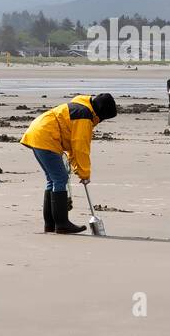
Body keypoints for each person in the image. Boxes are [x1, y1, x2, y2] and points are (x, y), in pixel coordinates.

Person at [20, 93, 118, 234]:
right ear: (101, 113)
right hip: (46, 136)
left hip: (37, 132)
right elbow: (80, 148)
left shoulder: (81, 107)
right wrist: (84, 174)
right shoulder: (84, 116)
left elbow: (73, 148)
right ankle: (61, 224)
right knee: (60, 179)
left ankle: (51, 224)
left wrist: (78, 169)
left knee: (52, 179)